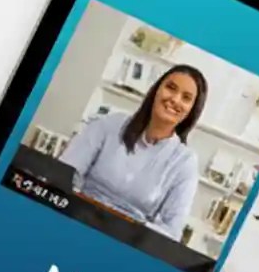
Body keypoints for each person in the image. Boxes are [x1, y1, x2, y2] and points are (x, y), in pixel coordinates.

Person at [57, 65, 207, 241]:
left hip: (127, 243)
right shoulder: (109, 124)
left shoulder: (185, 162)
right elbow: (64, 172)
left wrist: (130, 227)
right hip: (75, 219)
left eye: (186, 98)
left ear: (192, 111)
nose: (175, 99)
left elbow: (172, 232)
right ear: (156, 90)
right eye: (171, 88)